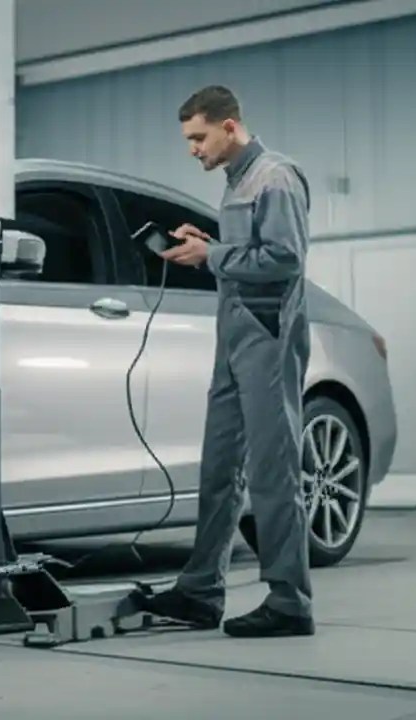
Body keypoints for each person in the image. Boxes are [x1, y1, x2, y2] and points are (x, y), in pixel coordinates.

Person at [142, 85, 316, 638]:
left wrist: (212, 254)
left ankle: (289, 602)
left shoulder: (275, 177)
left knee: (272, 472)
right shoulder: (237, 181)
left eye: (198, 137)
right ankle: (200, 591)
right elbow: (251, 250)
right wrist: (208, 244)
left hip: (268, 337)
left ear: (230, 127)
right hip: (234, 338)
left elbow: (285, 259)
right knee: (219, 469)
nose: (192, 148)